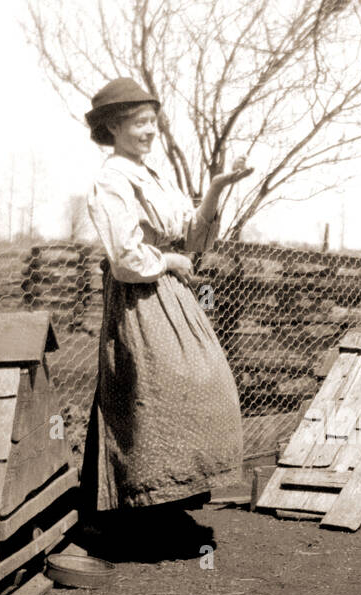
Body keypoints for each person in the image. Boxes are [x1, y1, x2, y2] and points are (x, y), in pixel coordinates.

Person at [81, 78, 252, 533]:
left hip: (171, 295)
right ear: (114, 128)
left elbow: (195, 236)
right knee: (153, 396)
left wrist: (217, 187)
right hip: (140, 298)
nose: (150, 131)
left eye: (153, 122)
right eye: (140, 123)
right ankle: (140, 509)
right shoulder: (111, 180)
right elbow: (124, 259)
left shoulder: (153, 175)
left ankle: (170, 499)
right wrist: (171, 259)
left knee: (205, 383)